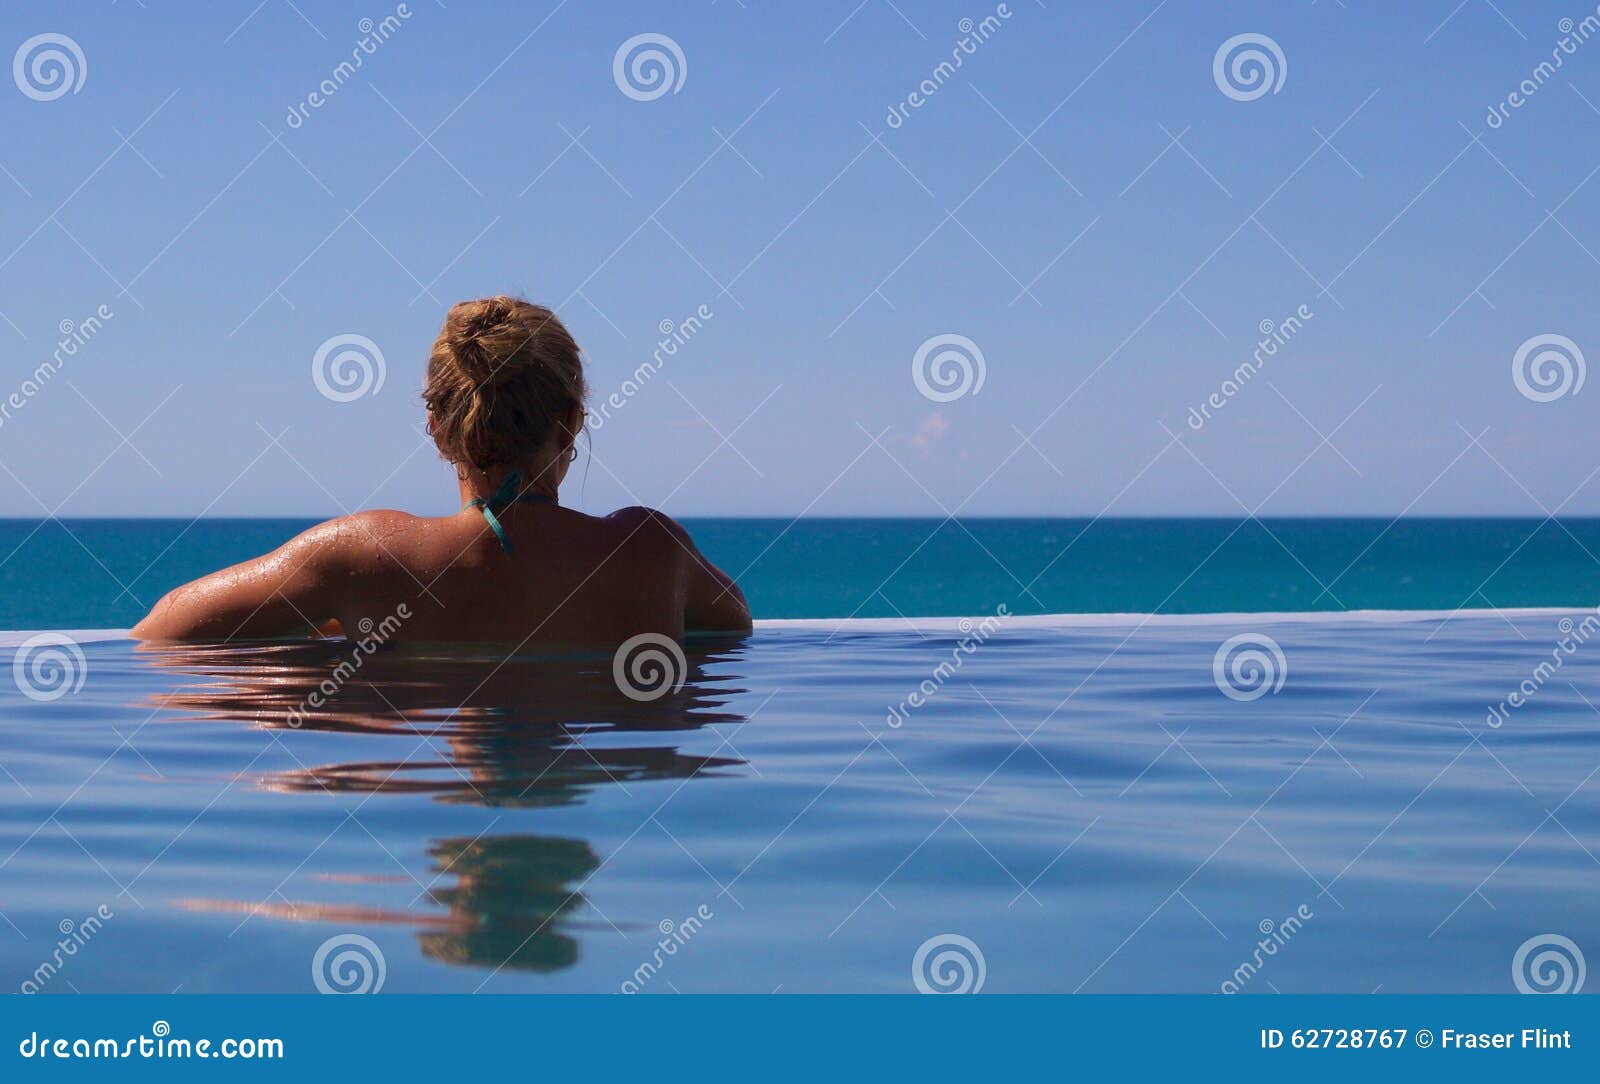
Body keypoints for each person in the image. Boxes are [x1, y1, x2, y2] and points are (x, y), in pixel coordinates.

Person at [131, 296, 751, 642]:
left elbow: (161, 632)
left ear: (436, 422)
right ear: (570, 420)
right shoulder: (650, 553)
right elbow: (735, 625)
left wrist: (322, 631)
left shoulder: (362, 558)